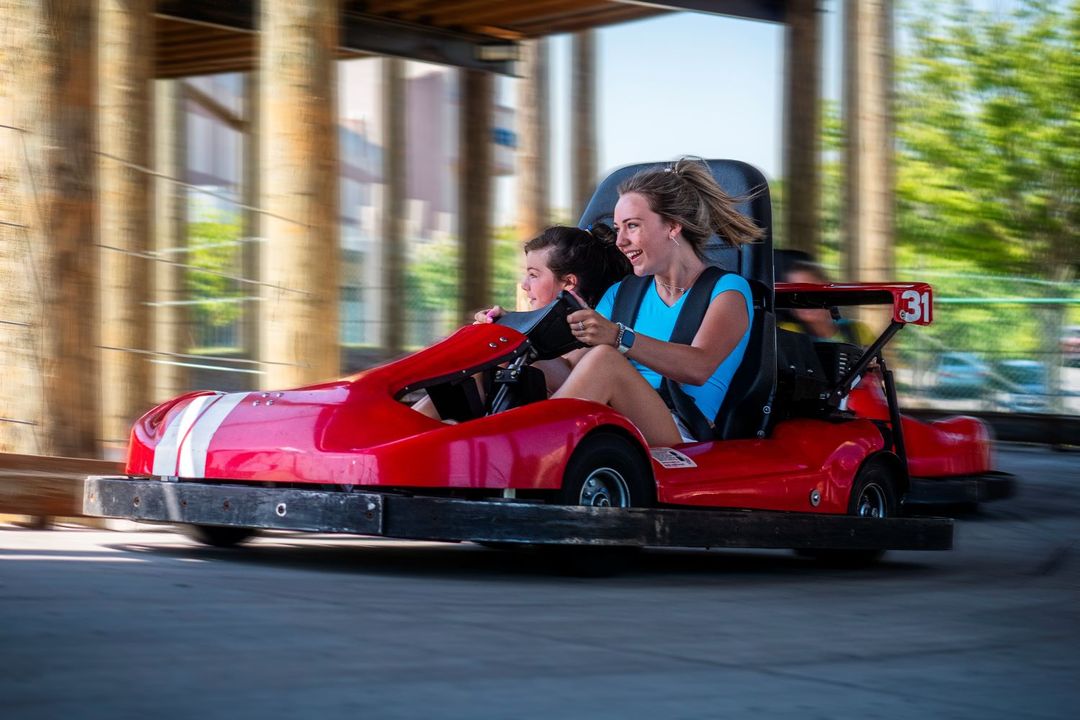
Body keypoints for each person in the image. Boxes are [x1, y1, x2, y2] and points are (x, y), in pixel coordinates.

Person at [553, 157, 764, 447]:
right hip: (616, 417)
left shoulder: (728, 290)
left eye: (632, 226)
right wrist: (510, 341)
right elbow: (569, 365)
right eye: (618, 228)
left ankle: (533, 451)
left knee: (605, 359)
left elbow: (698, 367)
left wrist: (618, 337)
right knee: (499, 360)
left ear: (673, 226)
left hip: (681, 427)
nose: (620, 241)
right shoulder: (621, 293)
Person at [414, 224, 631, 418]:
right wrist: (500, 328)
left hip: (569, 433)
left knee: (495, 353)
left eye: (533, 275)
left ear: (568, 283)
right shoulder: (556, 339)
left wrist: (504, 334)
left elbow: (564, 370)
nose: (524, 285)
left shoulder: (591, 338)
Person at [775, 250, 875, 346]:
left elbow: (877, 361)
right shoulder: (786, 333)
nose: (805, 299)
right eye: (795, 293)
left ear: (826, 290)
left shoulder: (858, 331)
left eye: (811, 290)